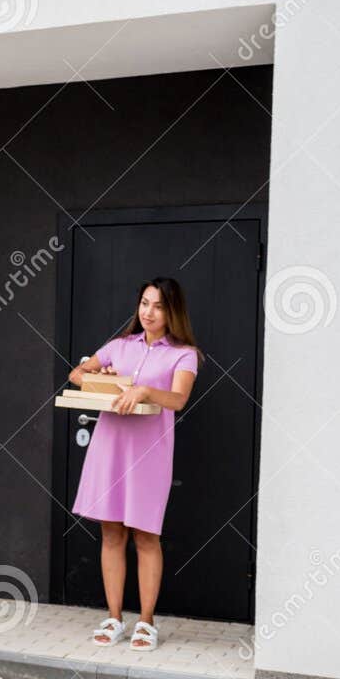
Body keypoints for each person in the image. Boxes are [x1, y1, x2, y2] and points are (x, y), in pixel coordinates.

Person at [69, 276, 202, 653]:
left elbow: (177, 399)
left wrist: (144, 390)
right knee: (111, 533)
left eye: (158, 306)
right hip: (108, 448)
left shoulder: (183, 354)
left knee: (146, 536)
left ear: (172, 310)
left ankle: (146, 621)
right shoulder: (119, 346)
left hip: (149, 454)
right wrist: (98, 376)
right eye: (144, 303)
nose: (149, 312)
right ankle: (114, 617)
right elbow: (76, 374)